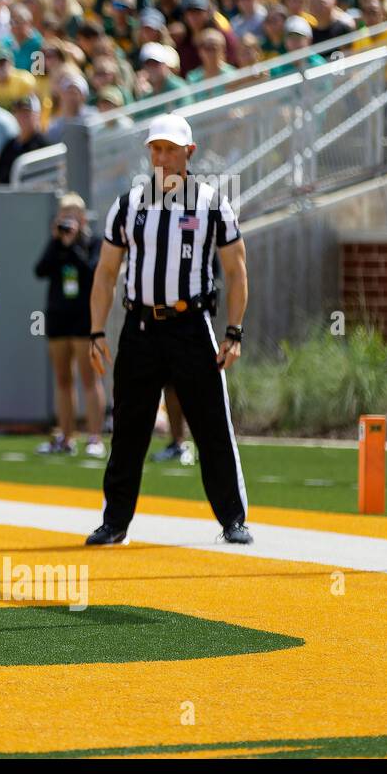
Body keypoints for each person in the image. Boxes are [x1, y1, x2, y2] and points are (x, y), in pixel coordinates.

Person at [87, 114, 252, 545]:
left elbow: (236, 271)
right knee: (128, 429)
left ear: (188, 153)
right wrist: (96, 332)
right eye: (155, 149)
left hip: (190, 326)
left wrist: (234, 332)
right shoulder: (129, 205)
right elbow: (106, 273)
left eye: (170, 149)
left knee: (212, 425)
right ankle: (115, 521)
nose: (161, 157)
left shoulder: (212, 203)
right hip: (140, 327)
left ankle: (233, 519)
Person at [35, 194, 105, 457]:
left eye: (73, 214)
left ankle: (95, 437)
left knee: (89, 377)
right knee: (63, 379)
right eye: (64, 214)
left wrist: (73, 244)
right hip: (58, 317)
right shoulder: (55, 244)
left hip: (83, 317)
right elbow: (39, 270)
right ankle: (65, 437)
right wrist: (57, 242)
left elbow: (92, 272)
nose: (68, 220)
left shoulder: (92, 242)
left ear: (83, 218)